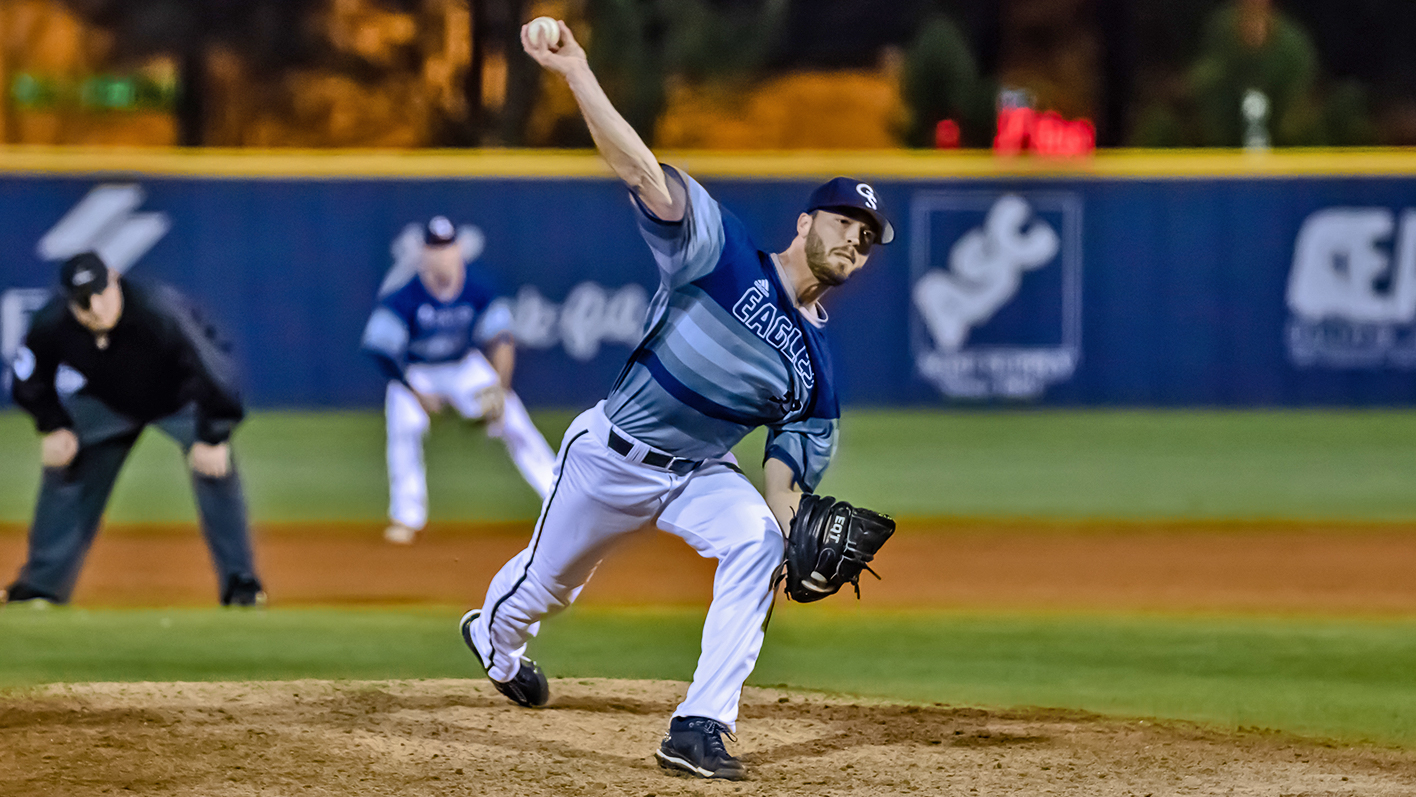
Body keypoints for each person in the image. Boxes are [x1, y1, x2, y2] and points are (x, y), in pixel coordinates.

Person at [457, 19, 893, 781]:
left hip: (697, 470)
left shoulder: (816, 370)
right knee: (544, 589)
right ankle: (494, 641)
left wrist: (796, 539)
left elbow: (786, 481)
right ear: (806, 221)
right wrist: (578, 72)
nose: (855, 239)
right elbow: (641, 173)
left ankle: (699, 725)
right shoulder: (721, 254)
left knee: (754, 542)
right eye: (844, 222)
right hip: (610, 454)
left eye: (867, 236)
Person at [2, 252, 264, 607]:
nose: (95, 308)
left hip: (181, 396)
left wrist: (214, 434)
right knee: (66, 466)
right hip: (108, 399)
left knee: (215, 468)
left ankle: (242, 586)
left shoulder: (159, 311)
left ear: (114, 280)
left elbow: (215, 369)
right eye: (83, 302)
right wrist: (53, 425)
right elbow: (28, 379)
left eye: (100, 293)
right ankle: (41, 587)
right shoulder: (53, 322)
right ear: (69, 302)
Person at [361, 216, 556, 545]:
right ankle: (406, 517)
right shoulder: (404, 297)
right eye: (435, 249)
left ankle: (558, 499)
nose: (442, 255)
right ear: (424, 254)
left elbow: (503, 339)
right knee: (404, 425)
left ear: (458, 250)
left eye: (448, 248)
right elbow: (381, 350)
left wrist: (500, 388)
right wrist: (415, 392)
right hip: (418, 370)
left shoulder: (477, 287)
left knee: (514, 419)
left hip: (462, 366)